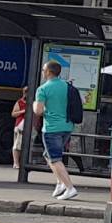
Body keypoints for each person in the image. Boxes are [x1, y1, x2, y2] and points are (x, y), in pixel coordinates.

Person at [32, 59, 78, 201]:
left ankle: (70, 187)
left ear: (48, 72)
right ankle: (60, 182)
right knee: (48, 155)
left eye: (44, 70)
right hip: (67, 126)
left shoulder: (43, 89)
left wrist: (35, 104)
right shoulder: (67, 86)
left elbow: (38, 111)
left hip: (52, 127)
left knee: (55, 158)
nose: (42, 72)